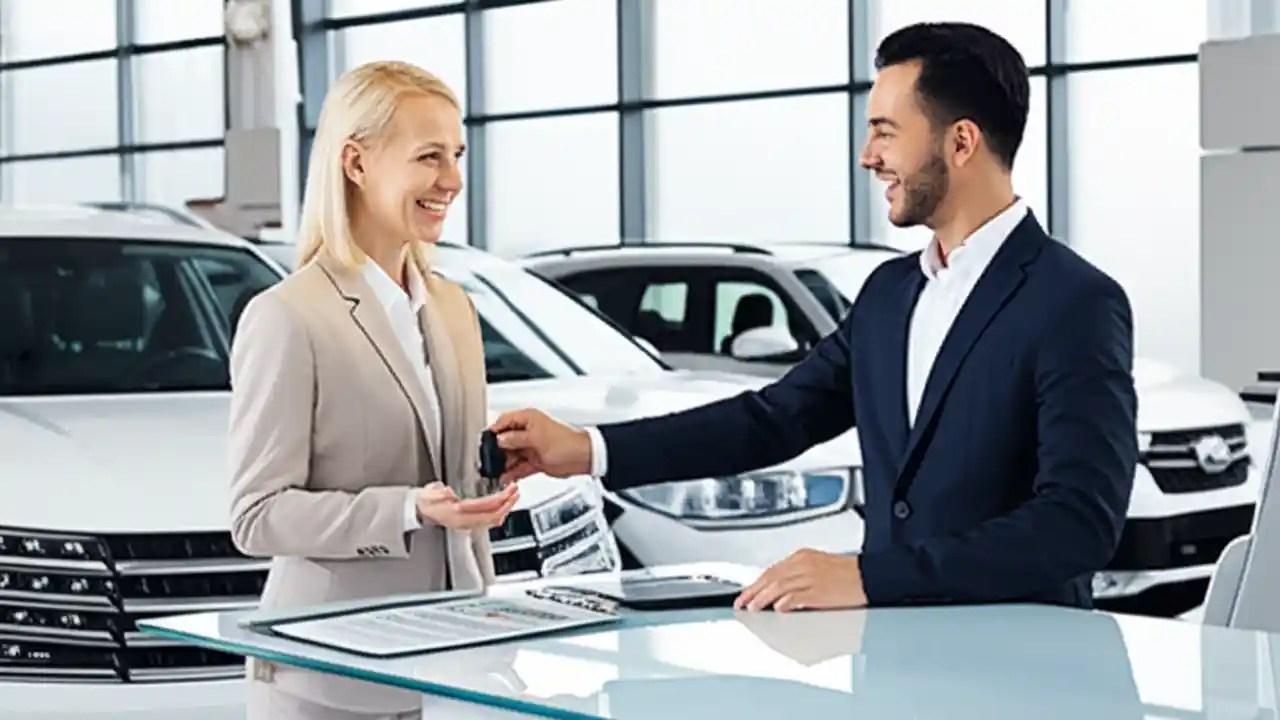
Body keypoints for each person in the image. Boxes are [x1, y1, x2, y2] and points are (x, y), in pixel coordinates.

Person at [491, 22, 1138, 613]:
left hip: (1027, 672)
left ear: (961, 141)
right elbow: (772, 420)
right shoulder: (891, 293)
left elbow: (1077, 523)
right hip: (893, 664)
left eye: (886, 130)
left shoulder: (1074, 301)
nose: (867, 156)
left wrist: (868, 576)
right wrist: (585, 448)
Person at [227, 60, 519, 720]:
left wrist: (489, 469)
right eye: (428, 156)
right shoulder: (287, 316)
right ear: (355, 163)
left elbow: (447, 484)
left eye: (457, 154)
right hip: (327, 672)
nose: (452, 179)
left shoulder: (452, 308)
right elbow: (257, 514)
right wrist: (409, 510)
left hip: (452, 660)